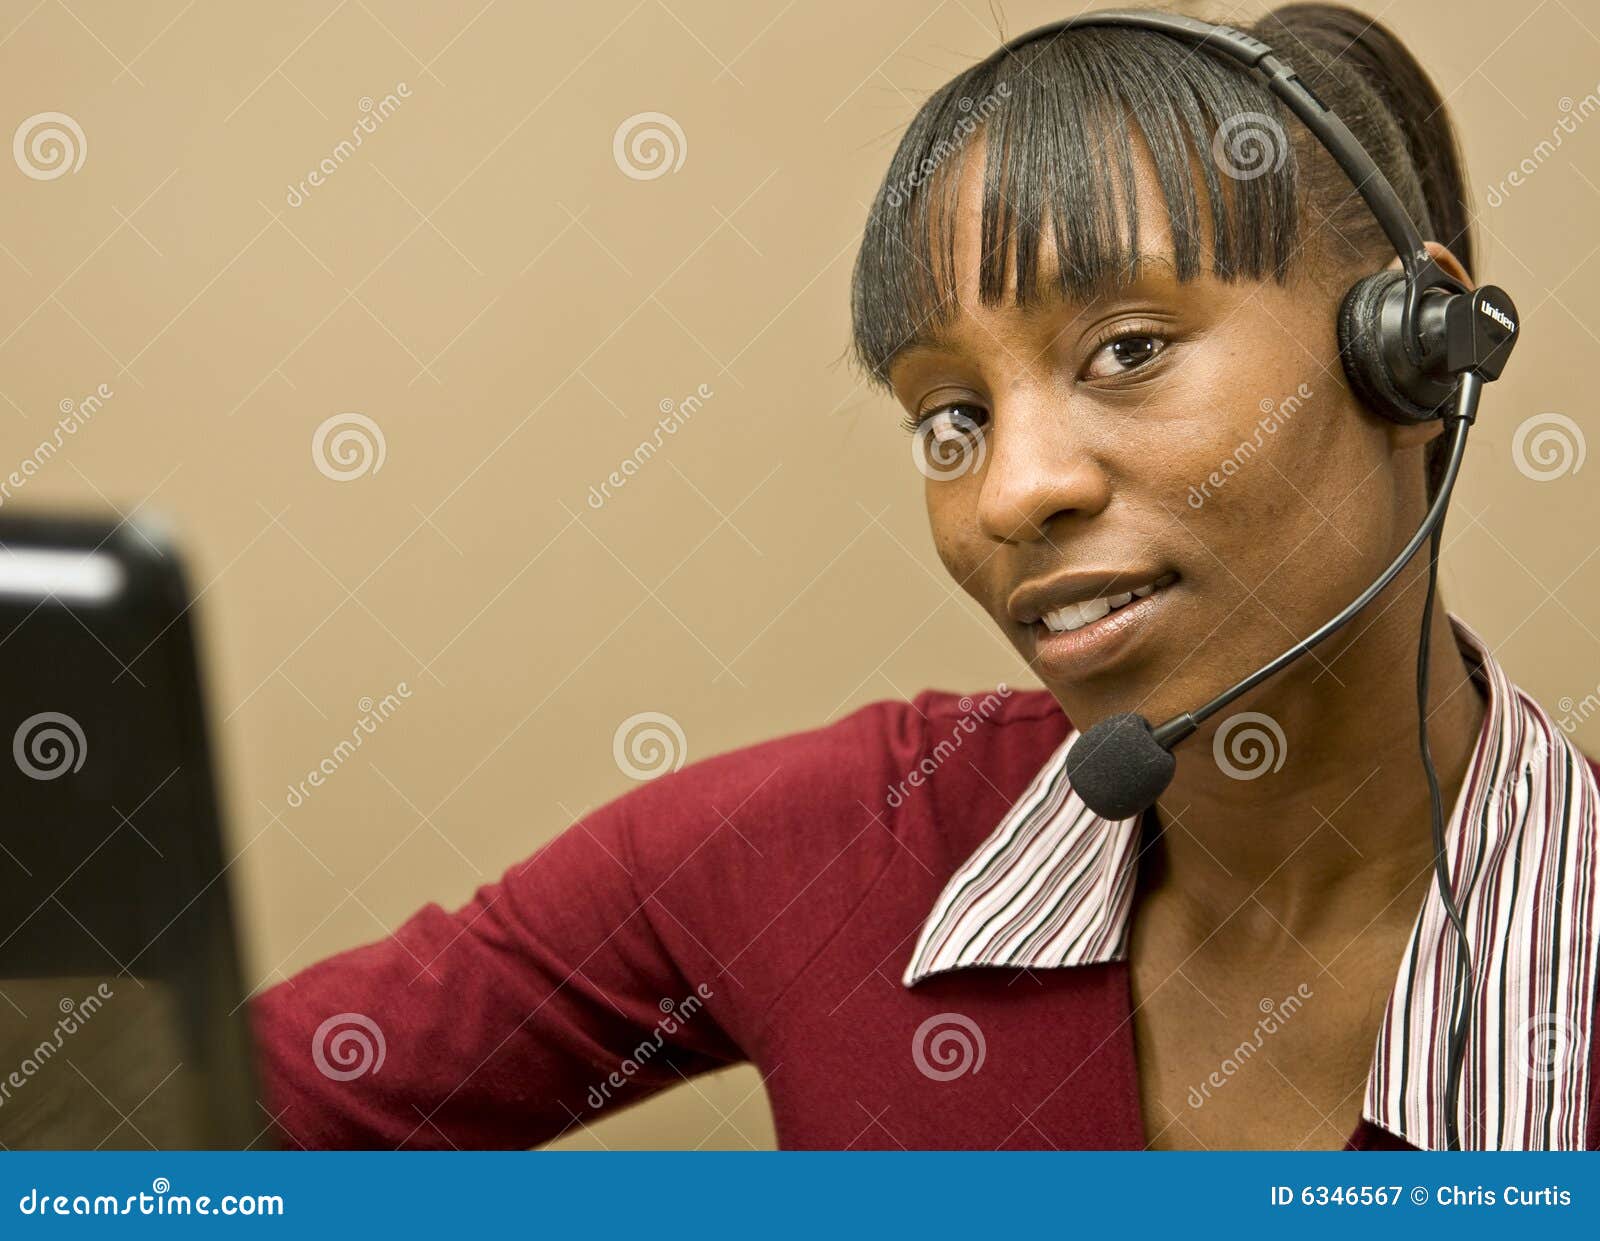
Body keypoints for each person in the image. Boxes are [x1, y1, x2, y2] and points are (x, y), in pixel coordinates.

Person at [251, 4, 1600, 1150]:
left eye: (1126, 349)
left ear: (1415, 355)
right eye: (949, 418)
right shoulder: (829, 847)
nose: (1009, 494)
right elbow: (161, 1115)